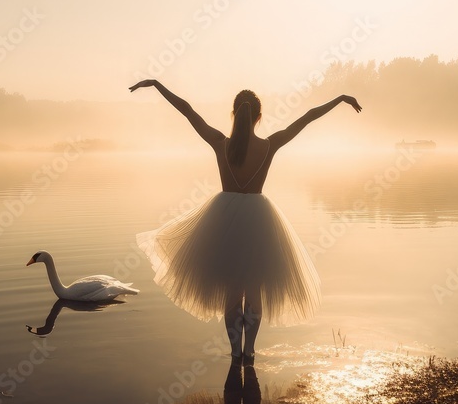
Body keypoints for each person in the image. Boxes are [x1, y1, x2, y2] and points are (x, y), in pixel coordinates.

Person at [131, 79, 362, 366]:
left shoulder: (220, 143)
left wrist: (157, 84)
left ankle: (235, 352)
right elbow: (307, 117)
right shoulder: (270, 145)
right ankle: (250, 351)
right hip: (258, 222)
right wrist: (339, 98)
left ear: (233, 114)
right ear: (258, 117)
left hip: (222, 220)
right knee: (254, 291)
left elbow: (187, 110)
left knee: (232, 291)